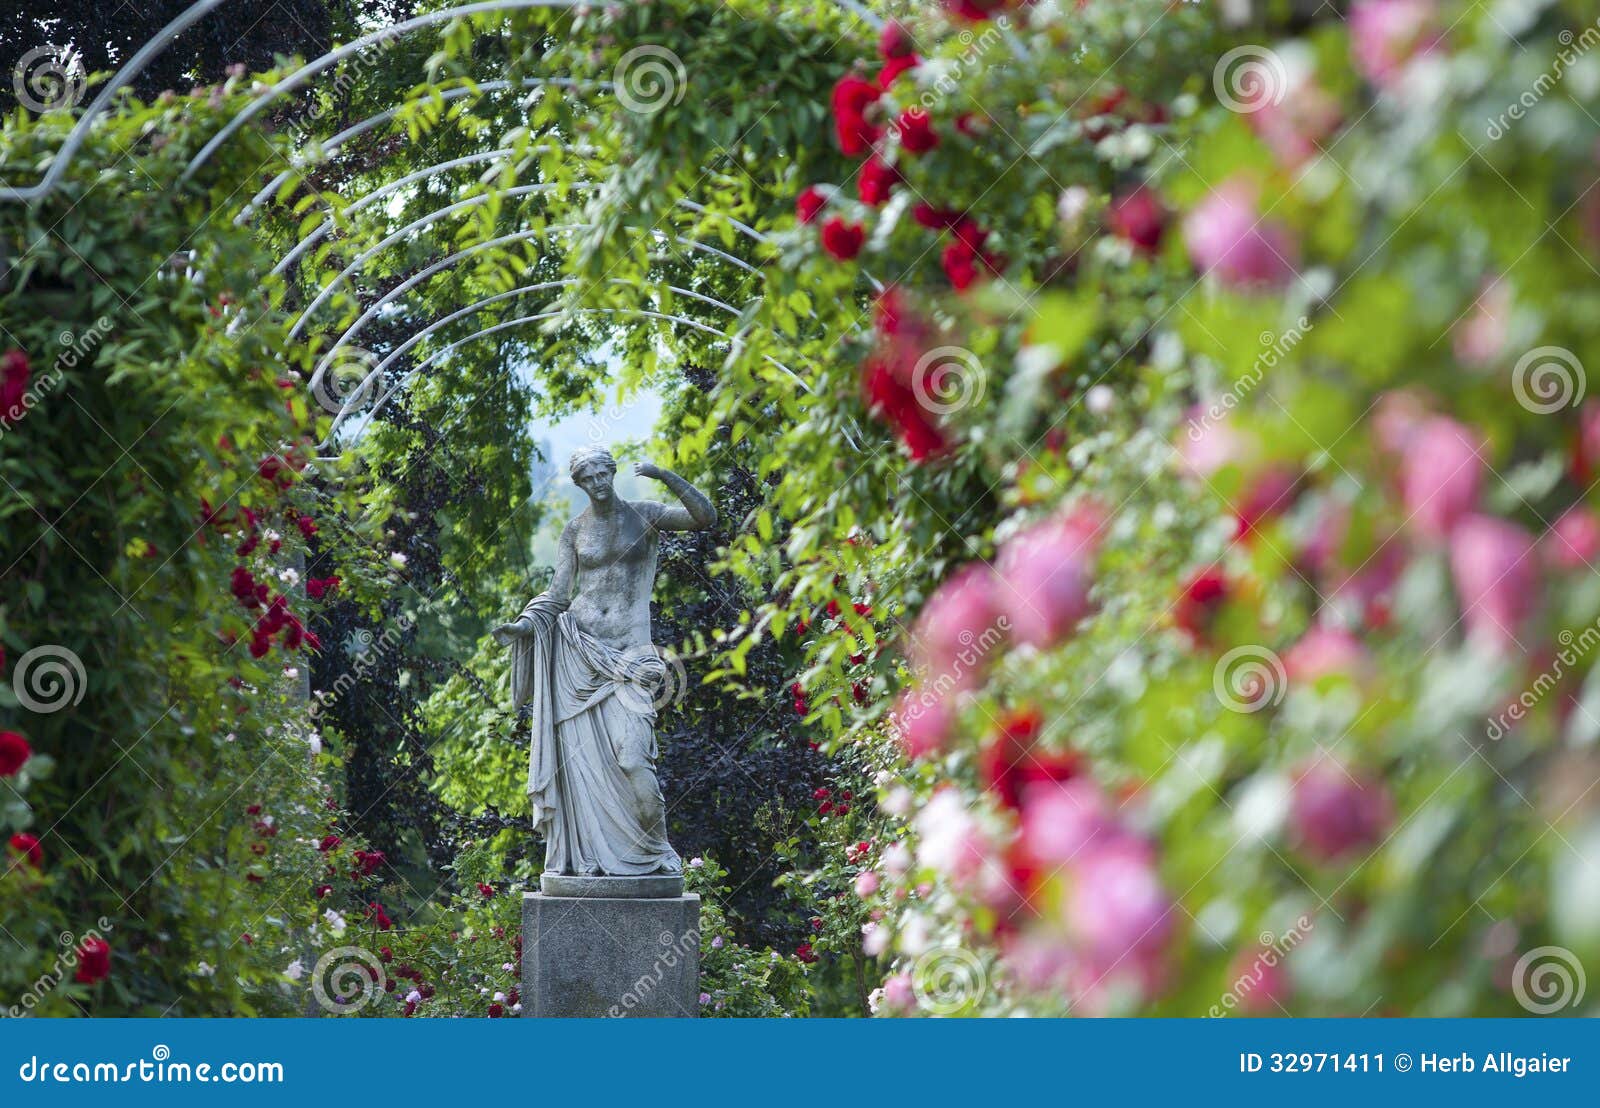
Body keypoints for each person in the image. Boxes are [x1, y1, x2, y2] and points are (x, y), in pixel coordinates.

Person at [493, 446, 716, 876]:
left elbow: (704, 517)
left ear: (612, 473)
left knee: (633, 758)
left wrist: (664, 473)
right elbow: (558, 595)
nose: (597, 483)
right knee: (580, 765)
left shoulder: (645, 514)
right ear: (580, 484)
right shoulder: (574, 531)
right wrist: (523, 627)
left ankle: (656, 851)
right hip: (580, 655)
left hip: (631, 657)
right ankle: (589, 859)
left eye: (602, 474)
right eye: (587, 478)